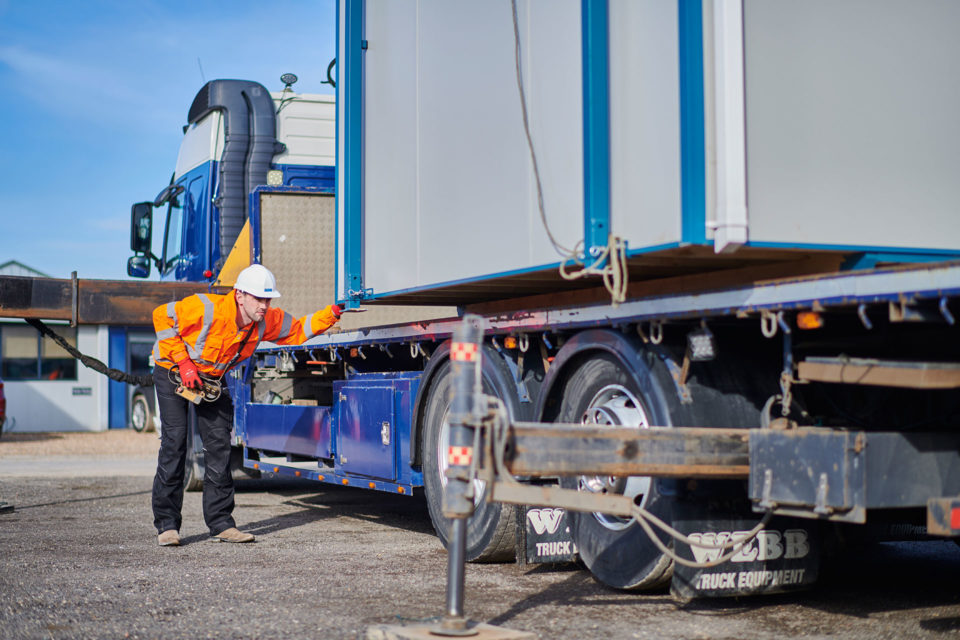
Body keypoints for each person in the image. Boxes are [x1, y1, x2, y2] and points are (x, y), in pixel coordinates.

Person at [151, 264, 341, 546]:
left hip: (211, 380)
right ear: (239, 295)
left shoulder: (264, 321)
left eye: (268, 299)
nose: (264, 305)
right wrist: (184, 361)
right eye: (258, 298)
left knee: (219, 447)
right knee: (175, 443)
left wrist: (333, 313)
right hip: (174, 373)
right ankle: (167, 525)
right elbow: (161, 316)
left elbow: (298, 330)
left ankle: (221, 524)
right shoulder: (207, 308)